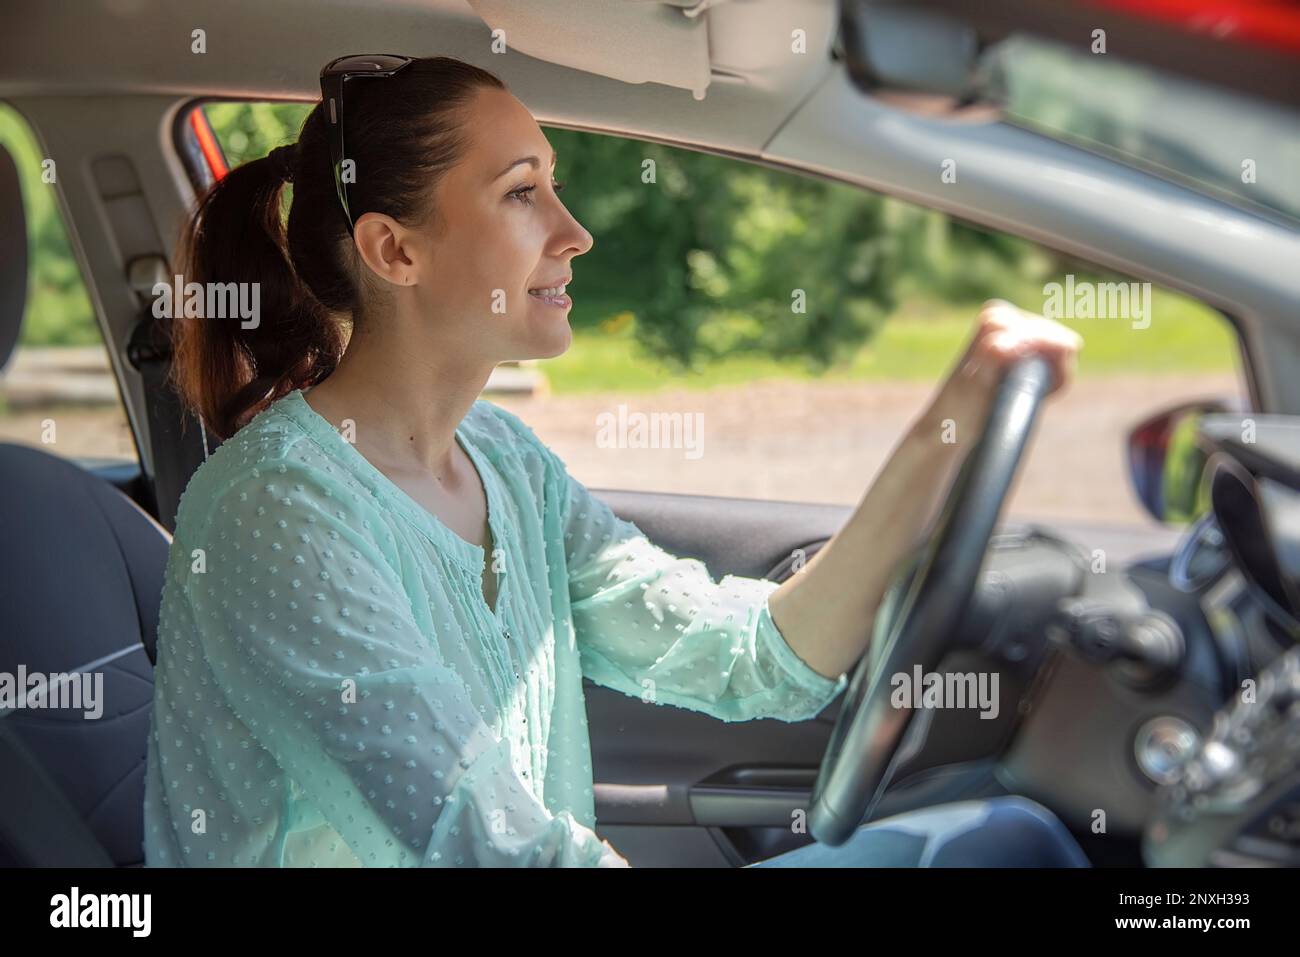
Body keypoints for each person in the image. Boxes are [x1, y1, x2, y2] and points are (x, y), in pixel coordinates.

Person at [143, 55, 1085, 867]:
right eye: (521, 192)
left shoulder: (506, 462)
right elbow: (477, 837)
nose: (575, 231)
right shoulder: (272, 508)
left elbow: (747, 656)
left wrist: (953, 422)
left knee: (1014, 838)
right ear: (395, 250)